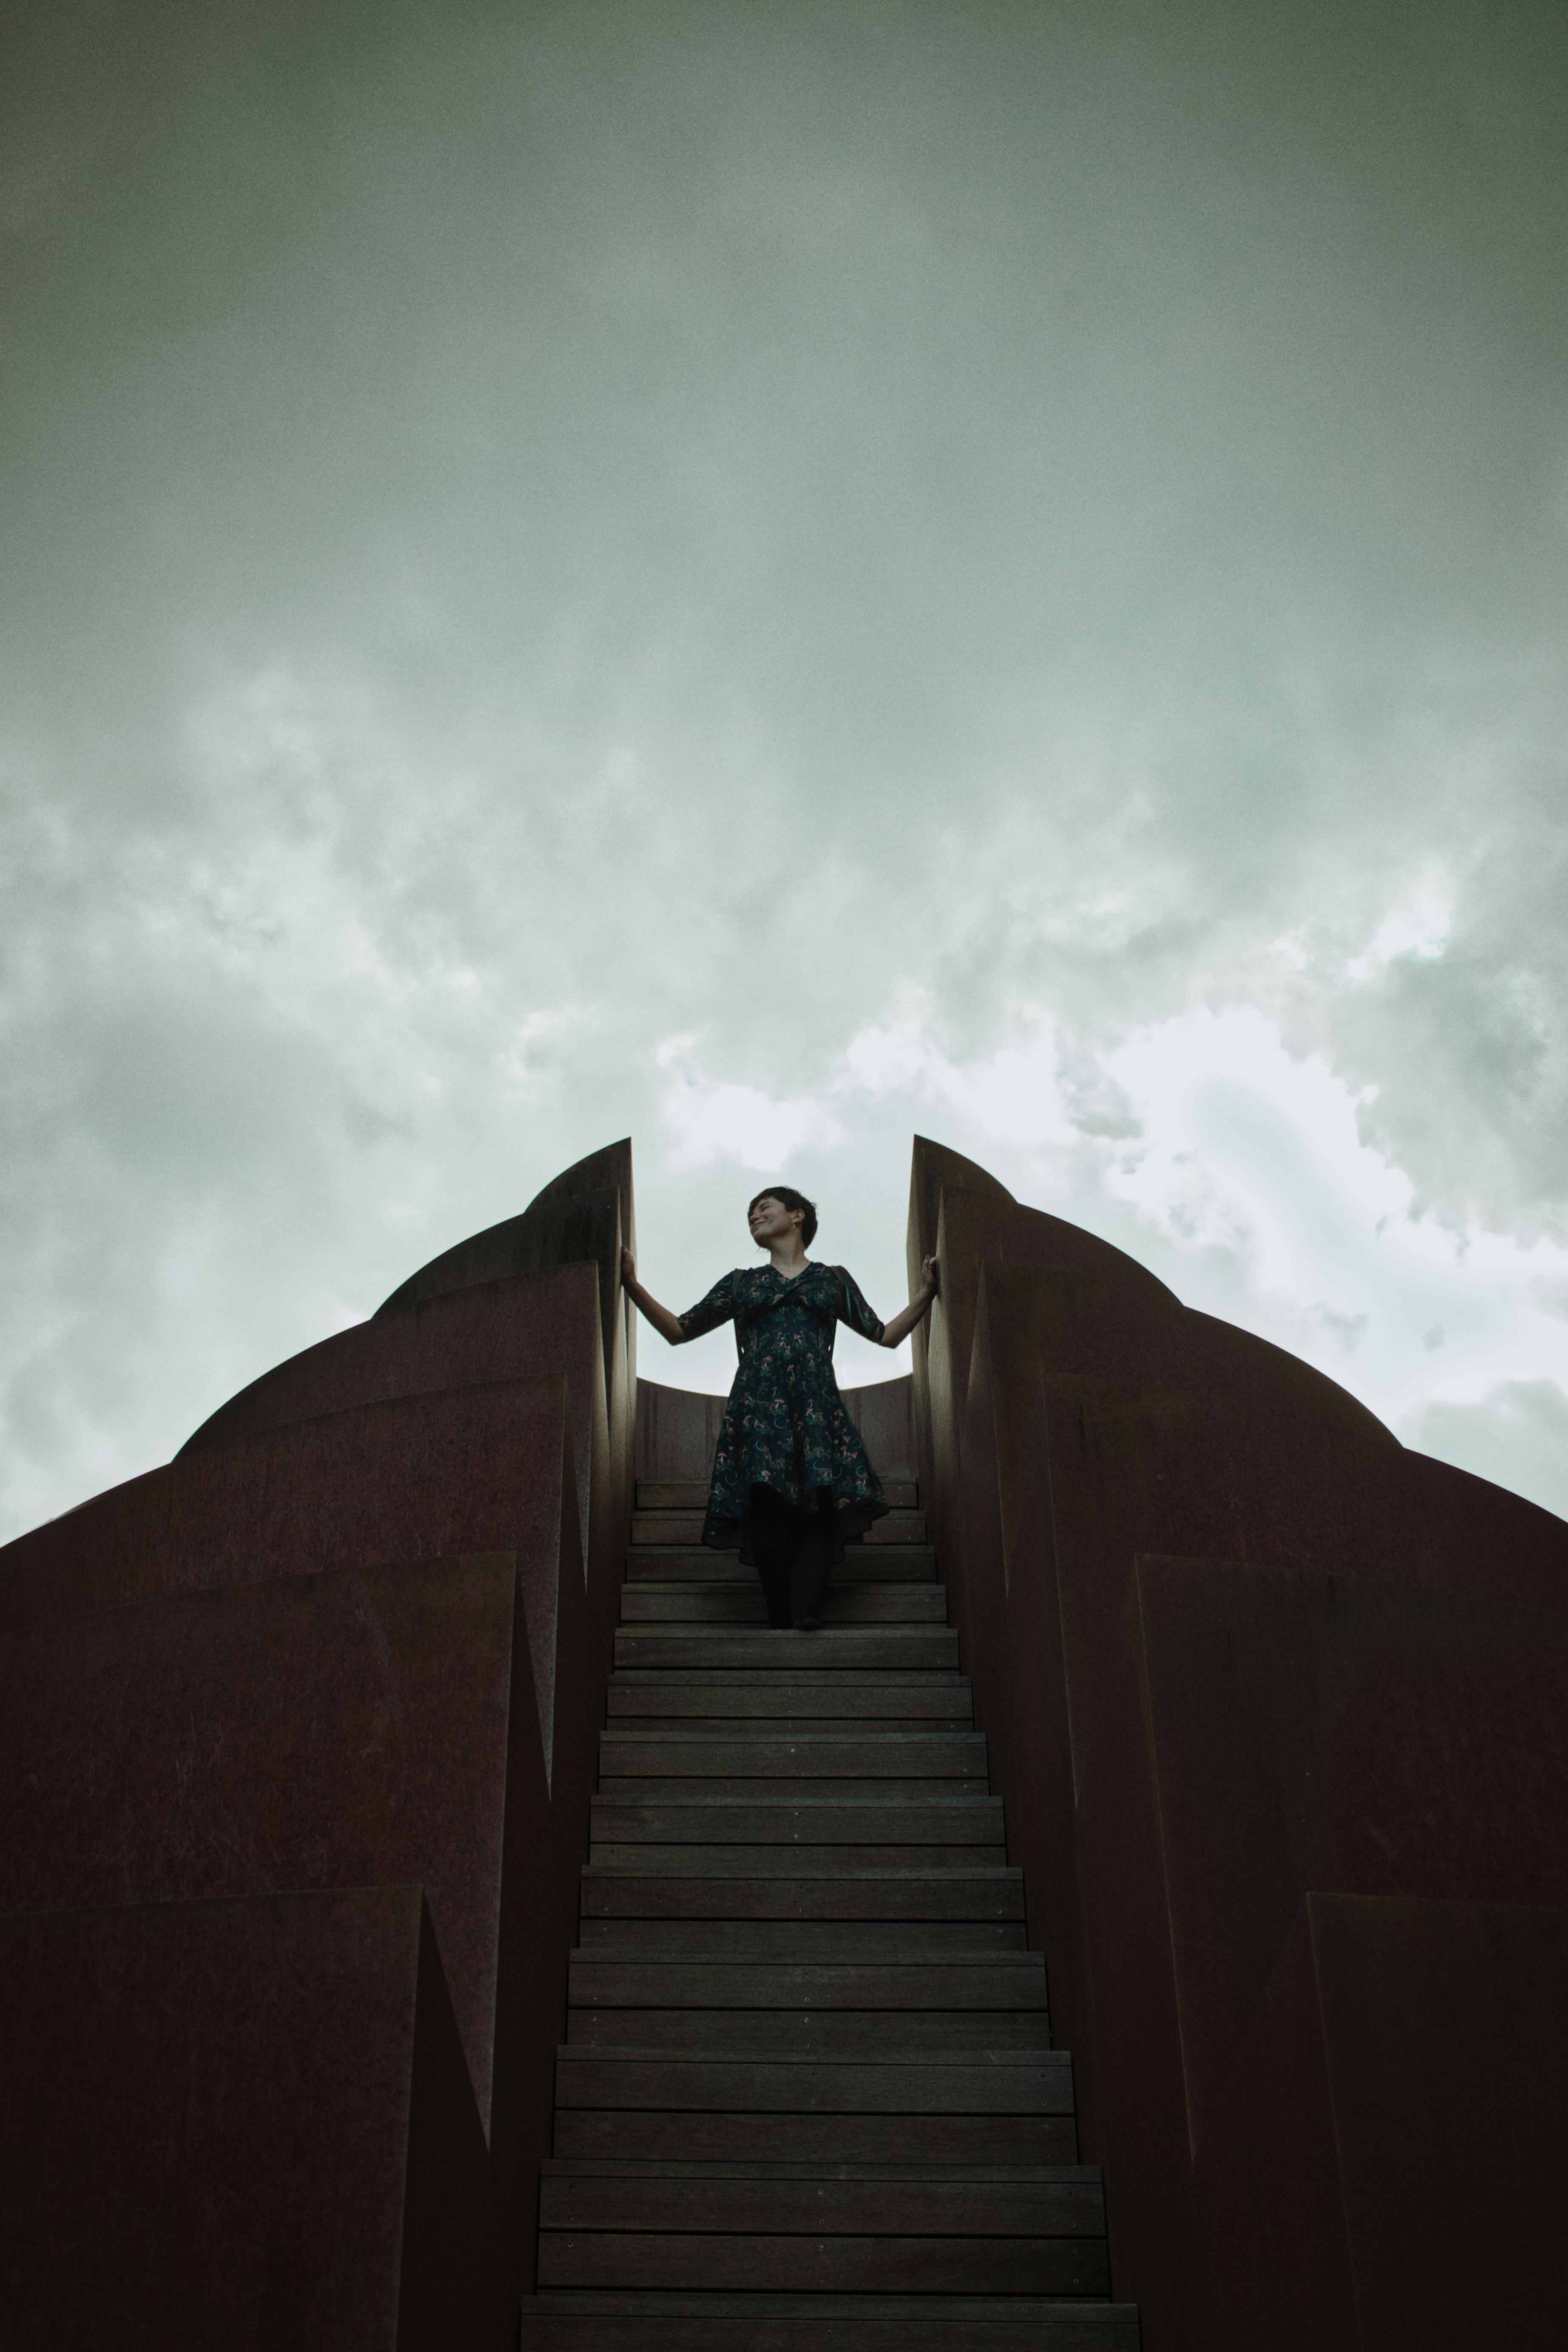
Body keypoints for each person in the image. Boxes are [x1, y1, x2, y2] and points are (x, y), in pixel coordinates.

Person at [620, 1187, 939, 1630]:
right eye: (750, 1213)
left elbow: (884, 1335)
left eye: (763, 1207)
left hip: (817, 1409)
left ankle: (804, 1610)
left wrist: (927, 1292)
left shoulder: (832, 1279)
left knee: (820, 1501)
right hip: (757, 1408)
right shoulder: (742, 1282)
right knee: (767, 1501)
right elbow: (678, 1329)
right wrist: (631, 1284)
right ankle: (779, 1612)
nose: (754, 1215)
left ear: (797, 1215)